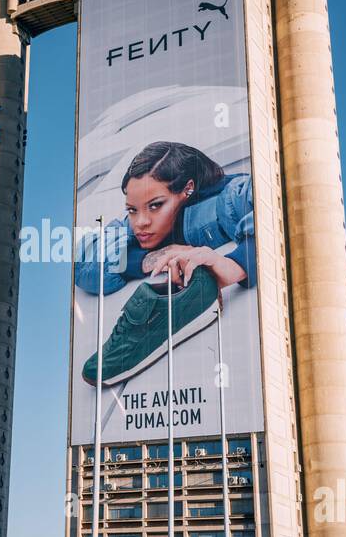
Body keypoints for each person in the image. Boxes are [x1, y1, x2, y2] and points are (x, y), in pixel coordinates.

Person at [75, 141, 255, 385]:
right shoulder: (135, 224)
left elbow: (279, 205)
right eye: (132, 210)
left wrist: (235, 264)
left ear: (187, 190)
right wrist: (148, 260)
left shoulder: (231, 197)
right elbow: (83, 261)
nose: (140, 222)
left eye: (155, 205)